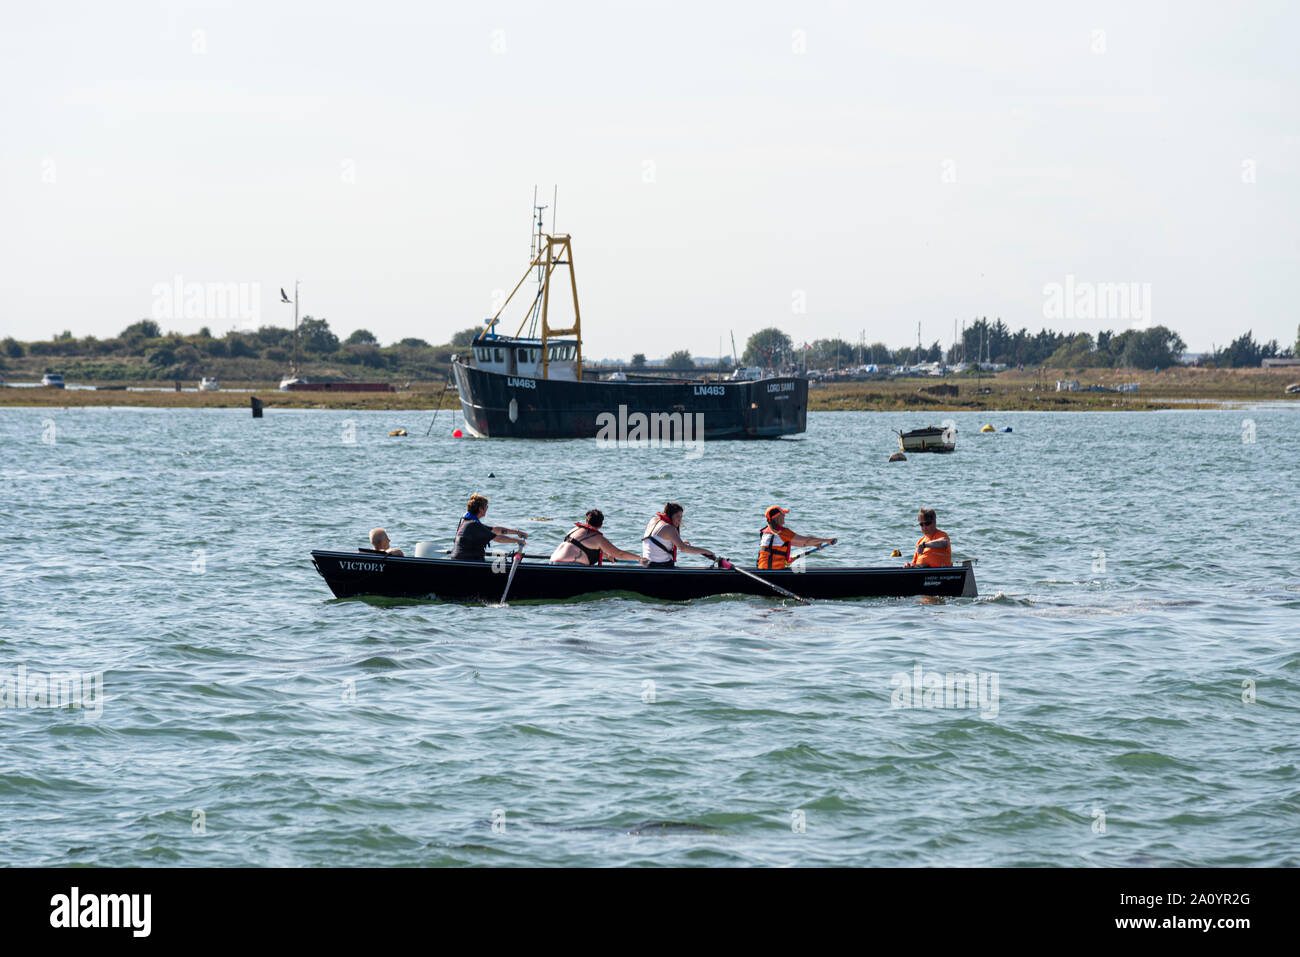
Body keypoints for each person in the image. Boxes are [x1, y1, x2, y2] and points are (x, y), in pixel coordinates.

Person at [550, 509, 647, 565]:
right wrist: (638, 558)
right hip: (569, 566)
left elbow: (583, 548)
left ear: (586, 521)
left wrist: (607, 555)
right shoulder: (598, 538)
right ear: (601, 525)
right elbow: (619, 553)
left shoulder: (573, 530)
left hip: (552, 562)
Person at [450, 494, 527, 561]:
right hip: (468, 564)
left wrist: (517, 532)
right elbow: (497, 538)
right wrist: (517, 541)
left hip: (462, 561)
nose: (487, 509)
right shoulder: (473, 525)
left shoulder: (469, 522)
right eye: (486, 506)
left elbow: (495, 530)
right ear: (481, 509)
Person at [756, 506, 835, 570]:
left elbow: (799, 543)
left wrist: (815, 544)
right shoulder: (782, 532)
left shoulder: (766, 532)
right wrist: (827, 540)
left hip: (762, 568)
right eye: (783, 514)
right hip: (775, 570)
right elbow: (806, 540)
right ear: (778, 517)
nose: (784, 516)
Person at [641, 502, 716, 568]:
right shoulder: (669, 528)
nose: (680, 520)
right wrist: (706, 551)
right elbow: (683, 549)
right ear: (670, 515)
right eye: (677, 516)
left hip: (647, 565)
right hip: (661, 566)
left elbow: (658, 539)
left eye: (681, 516)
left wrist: (679, 542)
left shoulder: (653, 520)